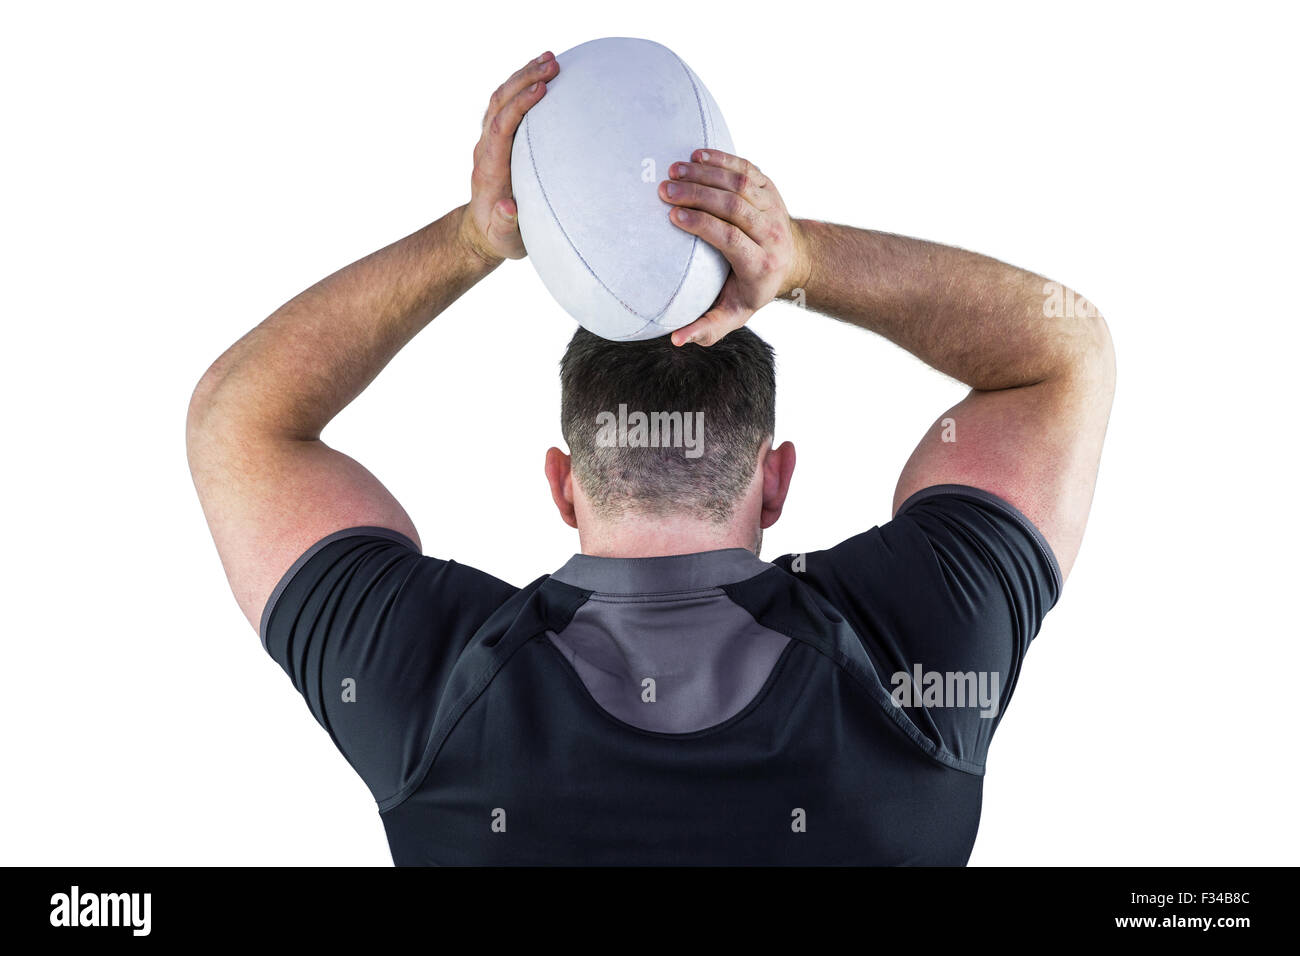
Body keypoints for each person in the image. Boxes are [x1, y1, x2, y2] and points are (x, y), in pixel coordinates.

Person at [187, 50, 1116, 865]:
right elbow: (1058, 355)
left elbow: (239, 420)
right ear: (777, 478)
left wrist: (472, 239)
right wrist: (799, 260)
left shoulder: (433, 693)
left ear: (562, 485)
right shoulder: (917, 648)